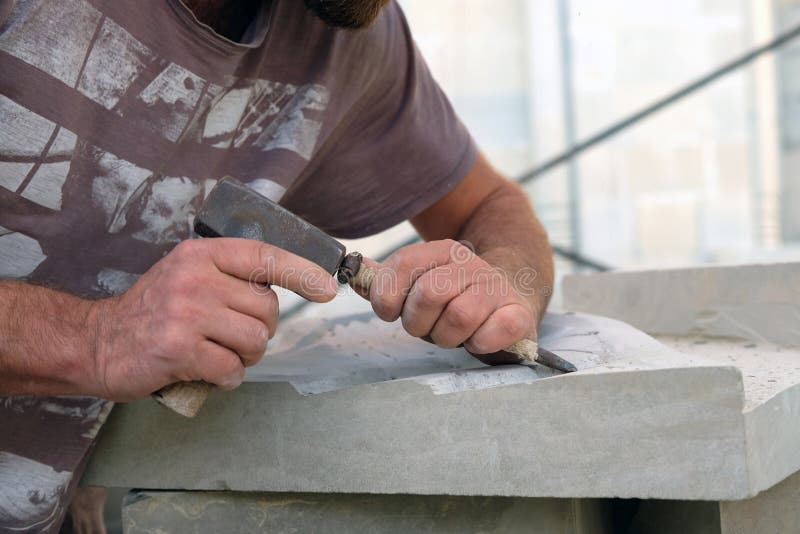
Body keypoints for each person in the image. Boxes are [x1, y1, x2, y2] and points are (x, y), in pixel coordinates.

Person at [0, 0, 554, 531]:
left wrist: (505, 285)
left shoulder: (350, 33)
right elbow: (103, 341)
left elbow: (492, 208)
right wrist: (95, 339)